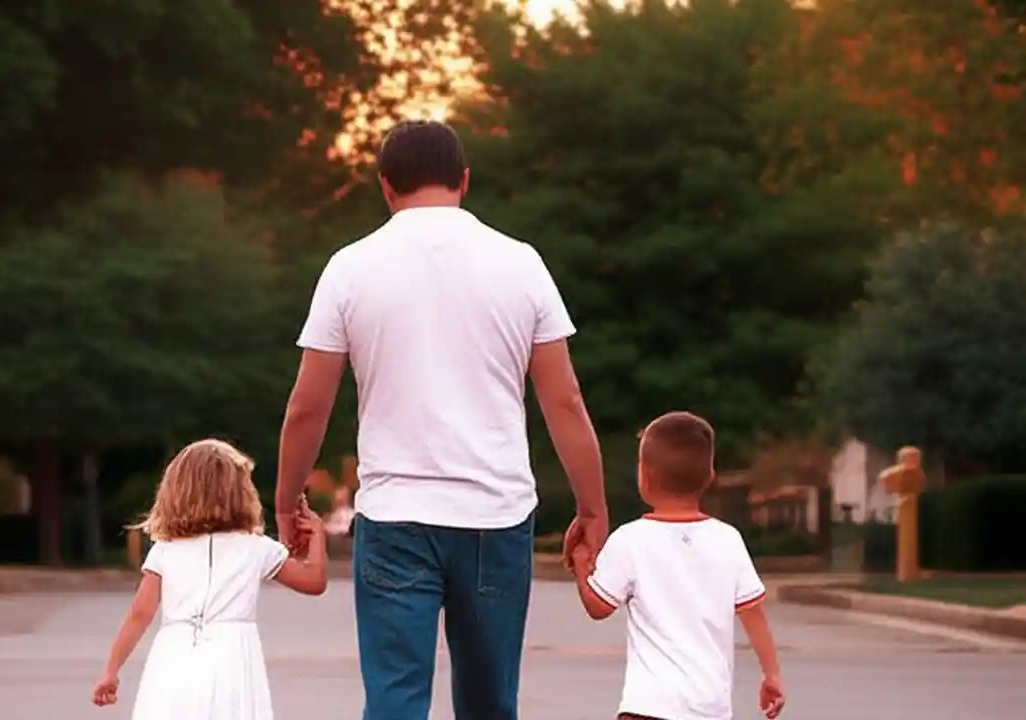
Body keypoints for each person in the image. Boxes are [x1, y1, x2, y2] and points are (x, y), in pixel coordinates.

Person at [274, 119, 607, 720]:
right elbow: (566, 402)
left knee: (395, 701)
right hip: (496, 516)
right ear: (465, 181)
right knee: (488, 703)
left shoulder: (349, 268)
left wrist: (286, 497)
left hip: (395, 516)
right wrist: (592, 508)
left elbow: (308, 406)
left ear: (385, 185)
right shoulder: (521, 263)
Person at [91, 439, 328, 719]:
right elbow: (314, 580)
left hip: (174, 653)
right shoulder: (254, 546)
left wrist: (111, 671)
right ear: (240, 493)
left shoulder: (166, 549)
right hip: (232, 655)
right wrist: (317, 534)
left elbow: (139, 614)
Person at [571, 412, 785, 720]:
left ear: (644, 475)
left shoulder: (631, 539)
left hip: (646, 707)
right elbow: (754, 613)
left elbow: (599, 606)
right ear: (710, 477)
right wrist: (772, 674)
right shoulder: (728, 540)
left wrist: (580, 566)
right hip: (709, 709)